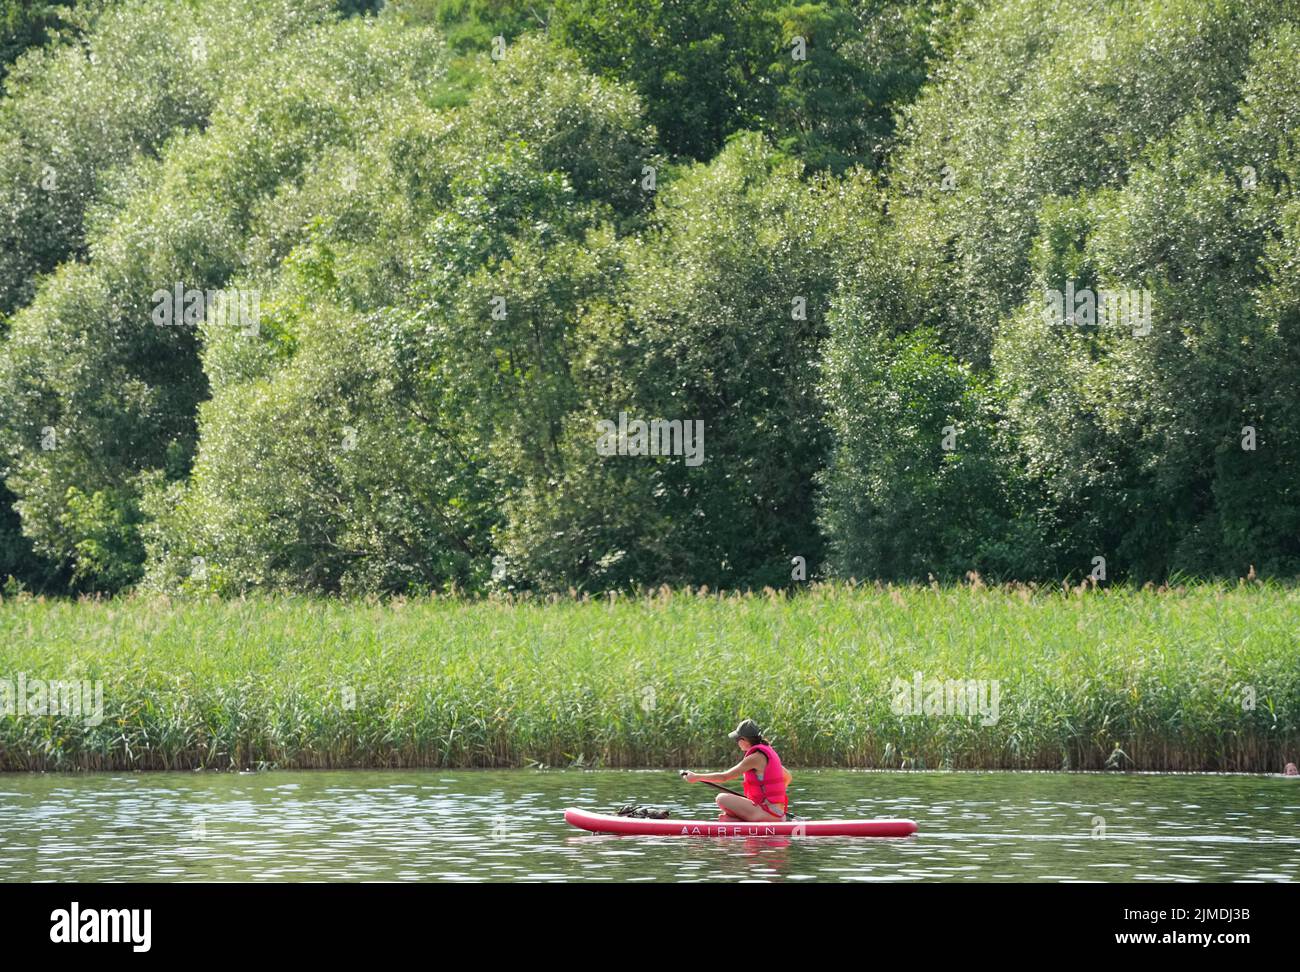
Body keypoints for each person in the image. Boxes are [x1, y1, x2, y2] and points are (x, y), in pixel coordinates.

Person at [682, 719, 791, 822]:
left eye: (737, 739)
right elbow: (788, 777)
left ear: (744, 740)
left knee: (721, 798)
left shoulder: (755, 757)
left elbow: (724, 777)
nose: (736, 742)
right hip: (777, 812)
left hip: (769, 813)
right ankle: (738, 820)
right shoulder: (768, 753)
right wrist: (769, 798)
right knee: (726, 814)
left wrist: (696, 777)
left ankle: (755, 819)